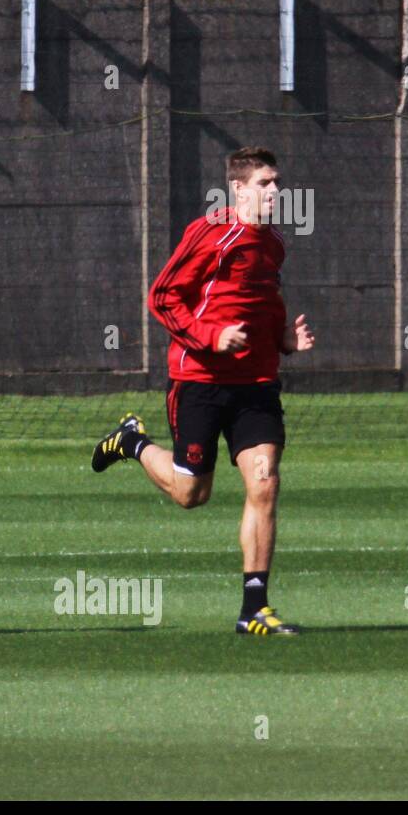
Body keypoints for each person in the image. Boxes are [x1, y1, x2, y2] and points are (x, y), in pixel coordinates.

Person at [91, 146, 316, 635]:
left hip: (256, 385)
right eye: (264, 183)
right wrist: (210, 337)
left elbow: (265, 300)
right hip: (200, 382)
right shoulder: (210, 233)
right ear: (237, 189)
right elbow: (163, 296)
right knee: (192, 494)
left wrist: (284, 340)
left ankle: (254, 608)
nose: (275, 191)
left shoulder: (274, 242)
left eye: (277, 181)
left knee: (265, 481)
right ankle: (131, 442)